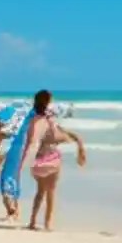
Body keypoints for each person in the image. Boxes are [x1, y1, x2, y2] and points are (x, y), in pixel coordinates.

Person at [18, 89, 86, 231]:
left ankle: (32, 221)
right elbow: (58, 135)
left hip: (37, 161)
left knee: (40, 191)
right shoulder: (48, 120)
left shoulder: (34, 120)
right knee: (51, 192)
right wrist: (76, 141)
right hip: (51, 159)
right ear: (47, 102)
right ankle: (47, 224)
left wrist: (26, 161)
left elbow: (32, 141)